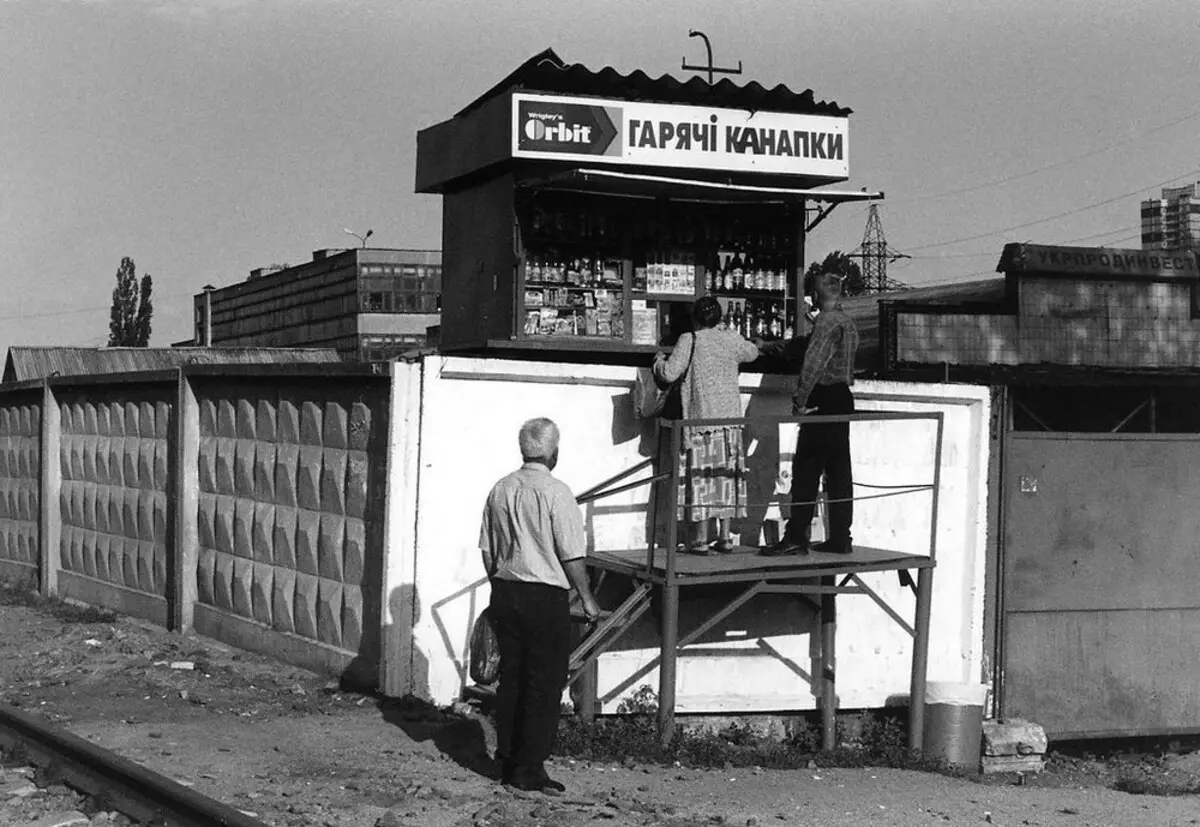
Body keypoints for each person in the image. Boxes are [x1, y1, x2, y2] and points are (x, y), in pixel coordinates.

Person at [478, 417, 602, 793]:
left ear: (523, 450)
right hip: (545, 596)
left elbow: (487, 549)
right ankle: (529, 768)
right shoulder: (556, 493)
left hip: (506, 589)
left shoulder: (500, 489)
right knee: (544, 683)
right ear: (554, 453)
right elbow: (571, 554)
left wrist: (499, 583)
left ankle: (507, 758)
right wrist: (586, 596)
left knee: (511, 679)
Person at [760, 272, 860, 556]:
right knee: (839, 472)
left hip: (822, 397)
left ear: (816, 295)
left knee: (806, 470)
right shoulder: (847, 323)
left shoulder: (825, 324)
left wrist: (800, 401)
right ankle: (841, 536)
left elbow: (813, 365)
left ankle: (796, 536)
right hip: (843, 397)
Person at [653, 295, 760, 554]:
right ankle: (725, 537)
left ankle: (700, 539)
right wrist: (730, 333)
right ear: (719, 317)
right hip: (729, 423)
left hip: (701, 421)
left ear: (695, 318)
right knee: (726, 479)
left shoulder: (690, 340)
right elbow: (753, 352)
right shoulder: (731, 339)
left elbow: (669, 373)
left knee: (700, 479)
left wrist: (657, 362)